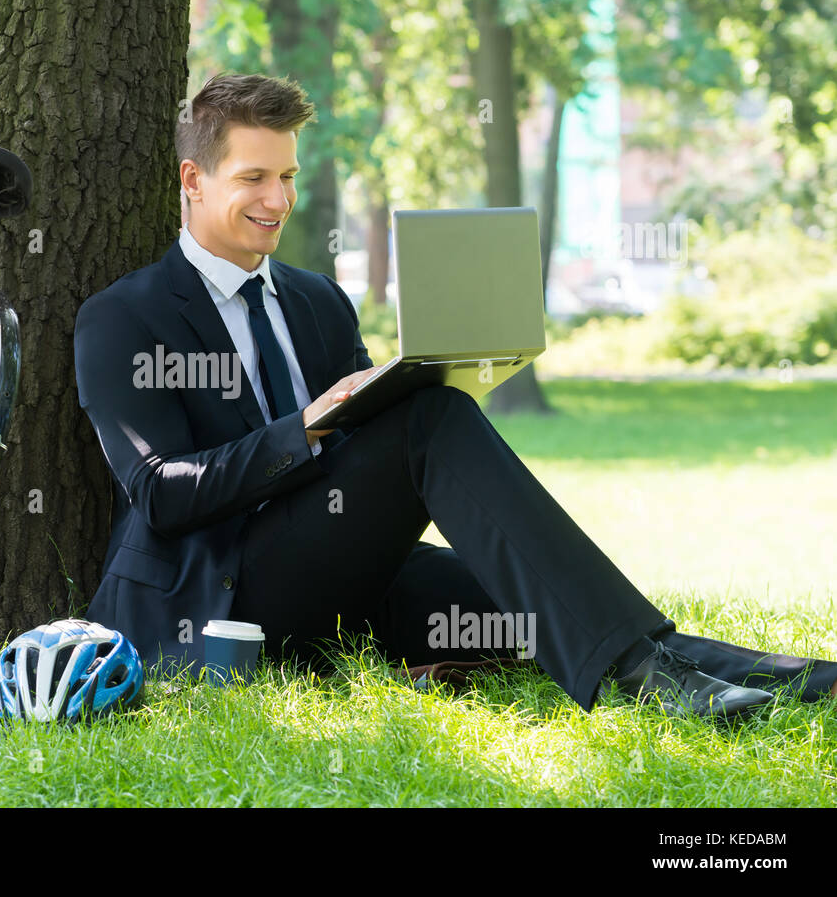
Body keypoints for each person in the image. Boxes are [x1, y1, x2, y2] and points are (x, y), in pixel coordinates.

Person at [73, 72, 837, 718]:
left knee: (554, 607)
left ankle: (787, 681)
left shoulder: (317, 302)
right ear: (193, 179)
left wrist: (416, 382)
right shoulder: (124, 316)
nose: (279, 198)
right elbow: (161, 492)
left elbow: (370, 447)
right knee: (433, 420)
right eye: (255, 178)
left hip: (350, 578)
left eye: (289, 176)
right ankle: (657, 683)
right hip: (217, 601)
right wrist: (302, 430)